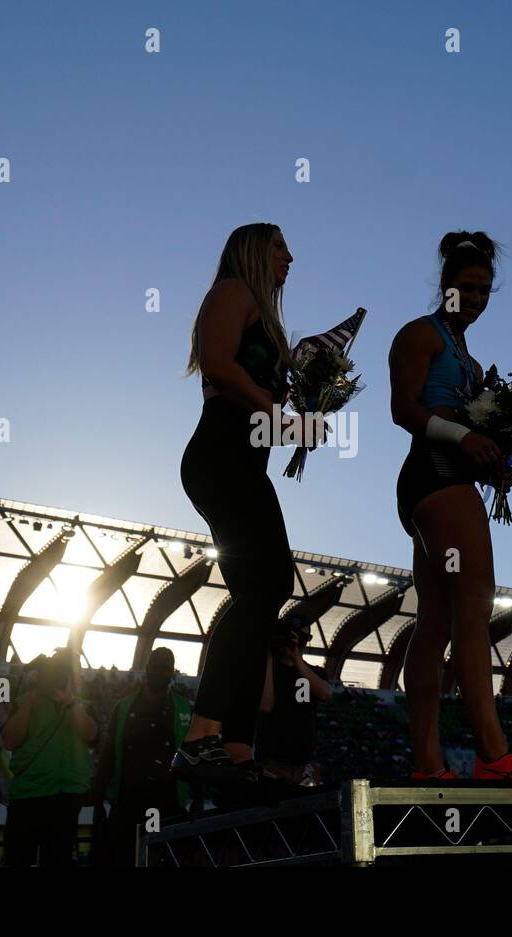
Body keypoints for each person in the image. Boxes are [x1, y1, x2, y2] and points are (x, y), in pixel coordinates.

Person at [388, 230, 512, 782]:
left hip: (445, 480)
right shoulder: (420, 334)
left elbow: (464, 424)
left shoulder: (468, 356)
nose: (477, 299)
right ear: (445, 287)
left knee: (436, 620)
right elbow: (402, 409)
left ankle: (429, 765)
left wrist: (492, 455)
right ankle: (493, 755)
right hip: (435, 476)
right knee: (474, 606)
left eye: (486, 290)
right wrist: (463, 440)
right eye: (467, 288)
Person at [171, 222, 309, 786]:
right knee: (269, 584)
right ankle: (202, 733)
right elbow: (219, 366)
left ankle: (233, 747)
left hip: (241, 457)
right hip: (219, 455)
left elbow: (261, 415)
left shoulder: (267, 320)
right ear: (253, 249)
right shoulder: (232, 292)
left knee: (263, 595)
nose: (290, 256)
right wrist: (278, 413)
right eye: (280, 246)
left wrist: (298, 423)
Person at [93, 648, 193, 866]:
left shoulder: (184, 708)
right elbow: (108, 753)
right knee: (125, 857)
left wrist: (196, 801)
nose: (161, 671)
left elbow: (192, 754)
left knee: (157, 857)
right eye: (157, 666)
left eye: (166, 667)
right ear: (147, 669)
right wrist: (98, 797)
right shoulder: (124, 706)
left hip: (166, 801)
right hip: (128, 801)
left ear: (172, 673)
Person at [1, 647, 98, 866]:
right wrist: (30, 699)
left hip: (66, 797)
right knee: (18, 858)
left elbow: (92, 735)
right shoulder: (23, 701)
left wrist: (71, 703)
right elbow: (9, 740)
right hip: (27, 795)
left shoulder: (82, 705)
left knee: (57, 859)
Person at [255, 615, 331, 784]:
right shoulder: (268, 670)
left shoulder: (315, 672)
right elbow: (265, 706)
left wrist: (297, 659)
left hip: (304, 763)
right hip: (271, 762)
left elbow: (325, 693)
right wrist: (267, 655)